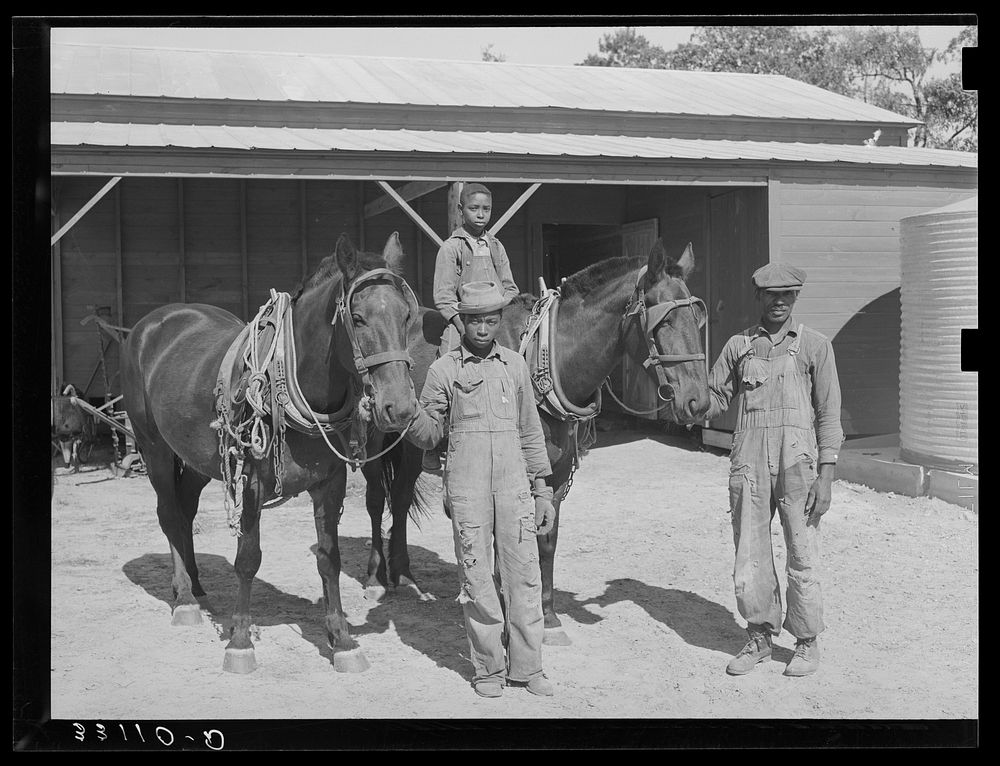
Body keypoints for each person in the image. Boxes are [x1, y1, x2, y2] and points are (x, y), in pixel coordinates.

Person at [406, 281, 556, 698]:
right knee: (477, 579)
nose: (483, 329)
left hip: (515, 488)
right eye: (475, 321)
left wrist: (542, 489)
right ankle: (488, 668)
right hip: (467, 488)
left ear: (499, 320)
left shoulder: (515, 366)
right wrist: (406, 416)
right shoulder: (443, 371)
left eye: (491, 320)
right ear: (463, 322)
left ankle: (528, 667)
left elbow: (530, 431)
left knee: (525, 576)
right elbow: (430, 432)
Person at [705, 263, 844, 678]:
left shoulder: (815, 347)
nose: (778, 301)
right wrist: (686, 396)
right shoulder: (737, 347)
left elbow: (828, 416)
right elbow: (713, 400)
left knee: (802, 554)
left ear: (796, 298)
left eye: (786, 295)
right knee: (750, 554)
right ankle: (760, 636)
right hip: (748, 462)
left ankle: (806, 642)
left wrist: (827, 474)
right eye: (771, 295)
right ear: (759, 298)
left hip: (797, 464)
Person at [424, 182, 520, 472]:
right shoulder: (451, 248)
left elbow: (510, 286)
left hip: (492, 320)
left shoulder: (496, 246)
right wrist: (463, 322)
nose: (481, 215)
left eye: (486, 209)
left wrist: (495, 309)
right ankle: (435, 442)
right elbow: (442, 295)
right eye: (474, 208)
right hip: (462, 321)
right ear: (461, 209)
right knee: (448, 369)